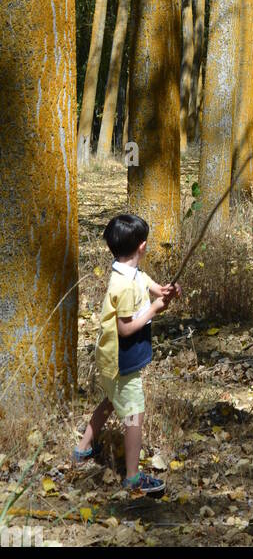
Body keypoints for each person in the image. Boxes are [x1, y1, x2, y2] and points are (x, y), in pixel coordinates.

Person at [73, 213, 181, 497]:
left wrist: (165, 291)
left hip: (112, 359)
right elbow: (125, 328)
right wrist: (155, 309)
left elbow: (148, 282)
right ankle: (132, 477)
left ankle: (83, 448)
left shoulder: (129, 272)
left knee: (110, 400)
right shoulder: (121, 284)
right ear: (143, 247)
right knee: (134, 413)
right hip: (122, 359)